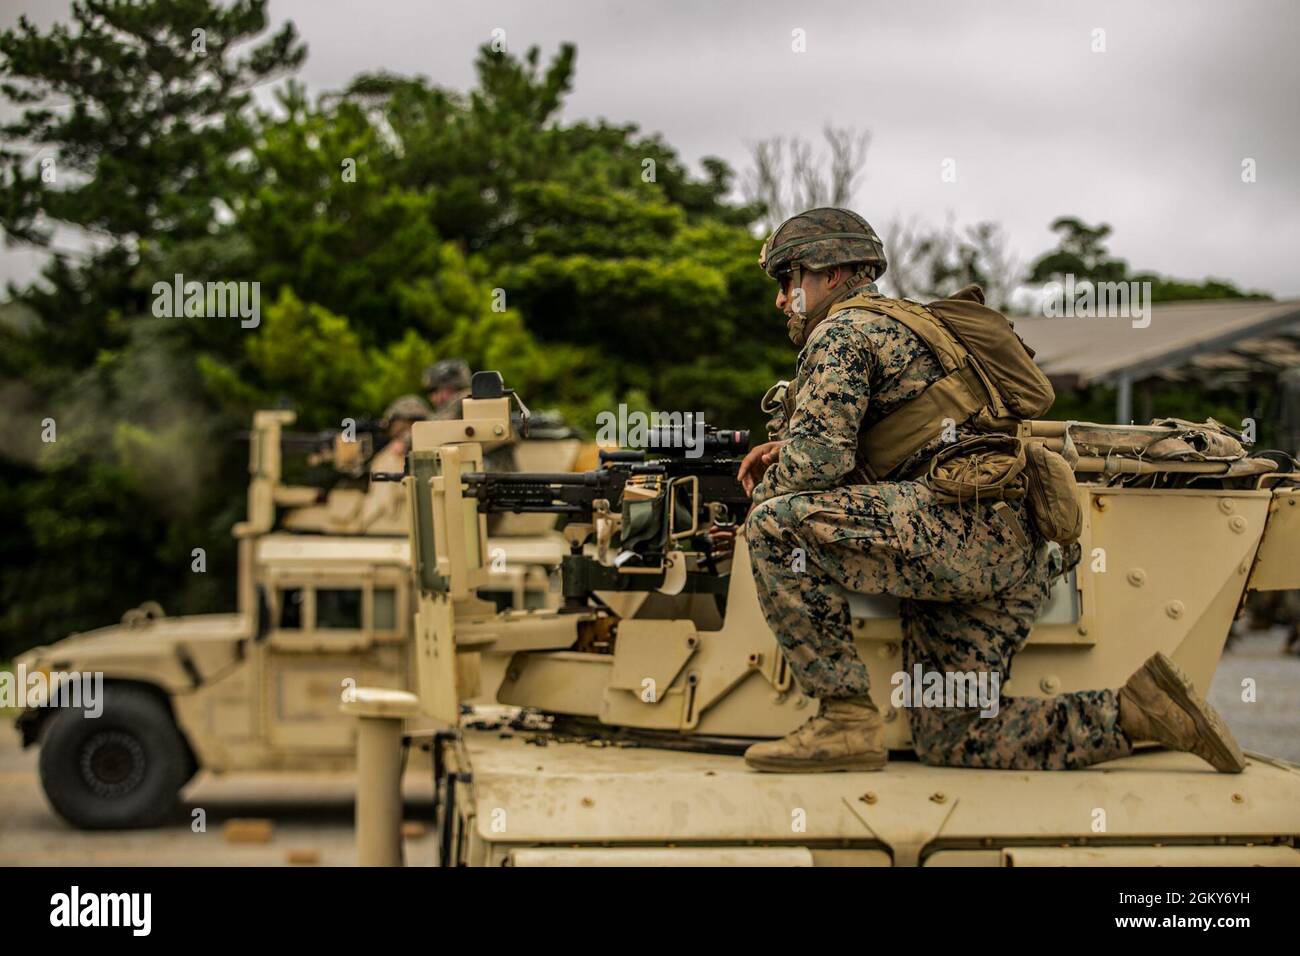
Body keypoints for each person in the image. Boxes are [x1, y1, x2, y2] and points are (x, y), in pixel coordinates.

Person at [737, 206, 1246, 775]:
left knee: (776, 524)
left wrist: (759, 495)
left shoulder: (841, 330)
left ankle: (844, 719)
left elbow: (817, 464)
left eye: (788, 281)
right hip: (1009, 542)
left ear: (828, 275)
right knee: (953, 732)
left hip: (955, 533)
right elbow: (910, 436)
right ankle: (1139, 712)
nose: (783, 300)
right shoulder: (910, 323)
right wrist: (801, 453)